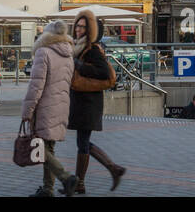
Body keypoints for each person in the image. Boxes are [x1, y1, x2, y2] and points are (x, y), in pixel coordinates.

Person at [68, 10, 127, 194]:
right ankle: (112, 169)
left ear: (89, 30)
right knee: (83, 142)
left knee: (83, 142)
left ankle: (81, 182)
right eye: (77, 25)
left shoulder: (92, 49)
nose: (78, 29)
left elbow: (104, 73)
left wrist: (79, 66)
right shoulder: (78, 46)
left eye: (83, 27)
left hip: (89, 103)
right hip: (80, 101)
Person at [20, 20, 79, 197]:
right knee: (48, 147)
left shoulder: (43, 52)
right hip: (61, 105)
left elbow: (36, 86)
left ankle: (66, 177)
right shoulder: (68, 54)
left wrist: (27, 111)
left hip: (45, 106)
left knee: (40, 148)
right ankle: (48, 189)